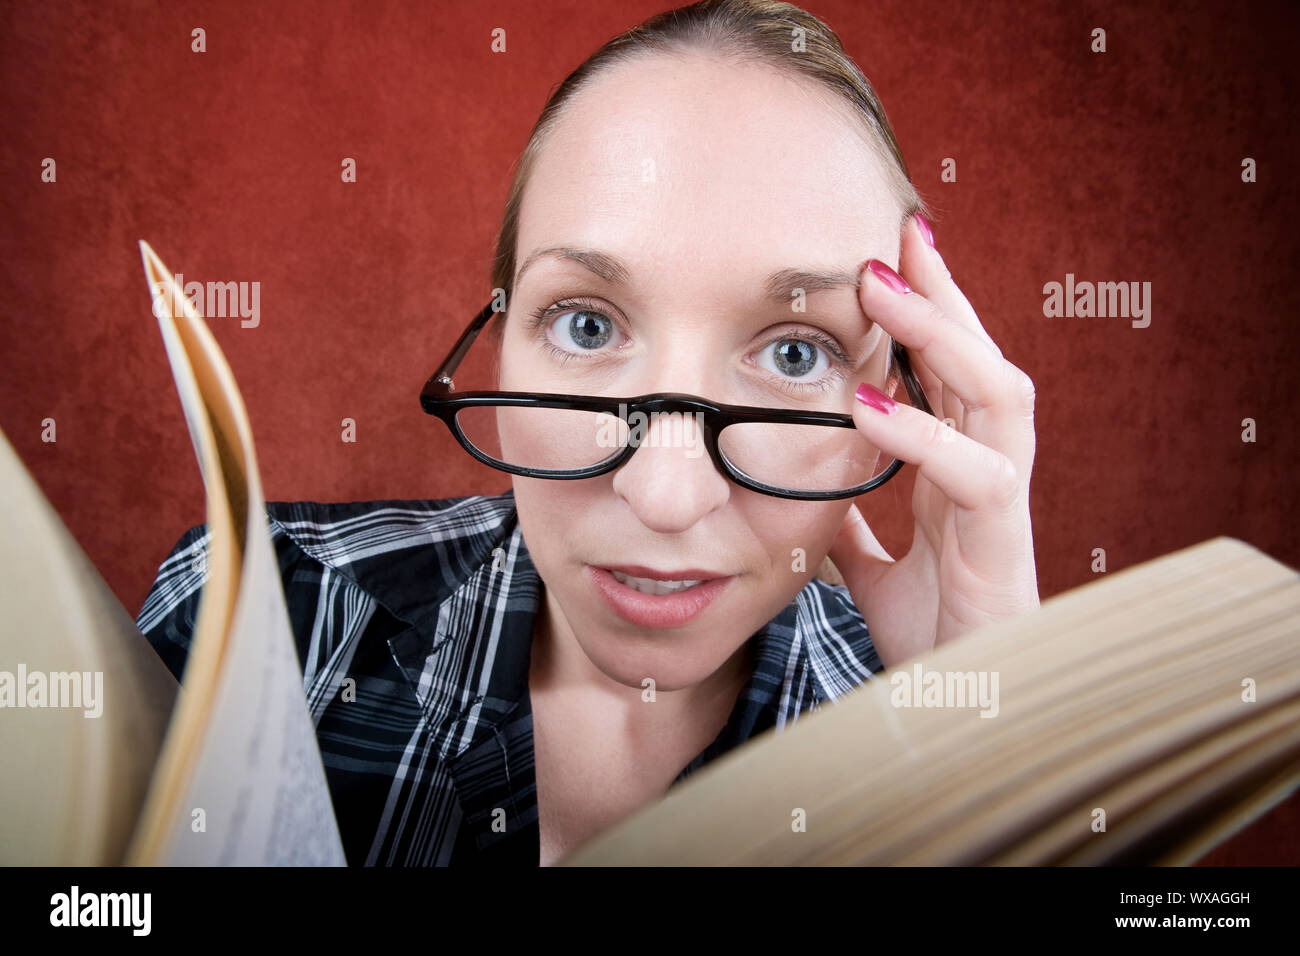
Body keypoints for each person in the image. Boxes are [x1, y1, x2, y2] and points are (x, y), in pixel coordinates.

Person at [138, 0, 1039, 867]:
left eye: (798, 353)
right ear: (500, 351)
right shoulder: (260, 611)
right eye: (587, 326)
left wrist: (996, 771)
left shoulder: (917, 750)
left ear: (890, 418)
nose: (663, 494)